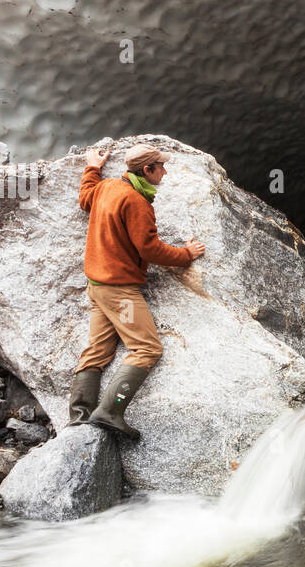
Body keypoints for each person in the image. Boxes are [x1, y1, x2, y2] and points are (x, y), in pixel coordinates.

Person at [65, 143, 206, 439]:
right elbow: (149, 248)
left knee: (97, 351)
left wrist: (92, 167)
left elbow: (85, 198)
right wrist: (186, 255)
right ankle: (111, 411)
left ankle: (79, 418)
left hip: (97, 286)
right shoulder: (137, 202)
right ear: (147, 170)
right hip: (120, 291)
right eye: (161, 167)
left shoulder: (107, 187)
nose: (165, 172)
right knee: (147, 349)